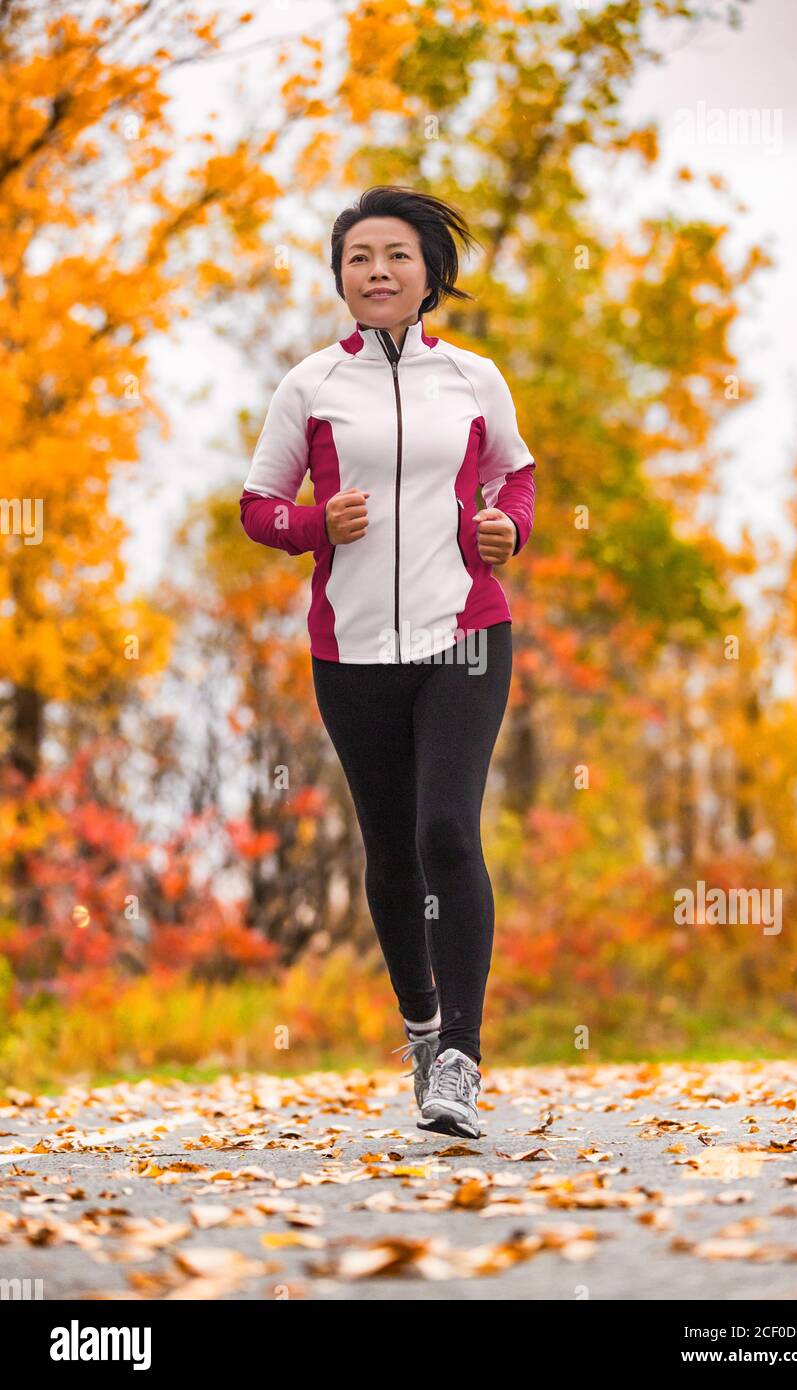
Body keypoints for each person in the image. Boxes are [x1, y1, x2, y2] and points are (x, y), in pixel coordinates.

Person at [239, 186, 536, 1138]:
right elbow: (257, 506)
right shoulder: (311, 384)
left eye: (398, 255)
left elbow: (516, 475)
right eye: (360, 256)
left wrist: (509, 530)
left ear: (428, 276)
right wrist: (312, 524)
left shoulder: (475, 380)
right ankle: (419, 1025)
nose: (378, 270)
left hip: (468, 631)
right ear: (340, 277)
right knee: (392, 849)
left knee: (449, 828)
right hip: (353, 645)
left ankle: (461, 1056)